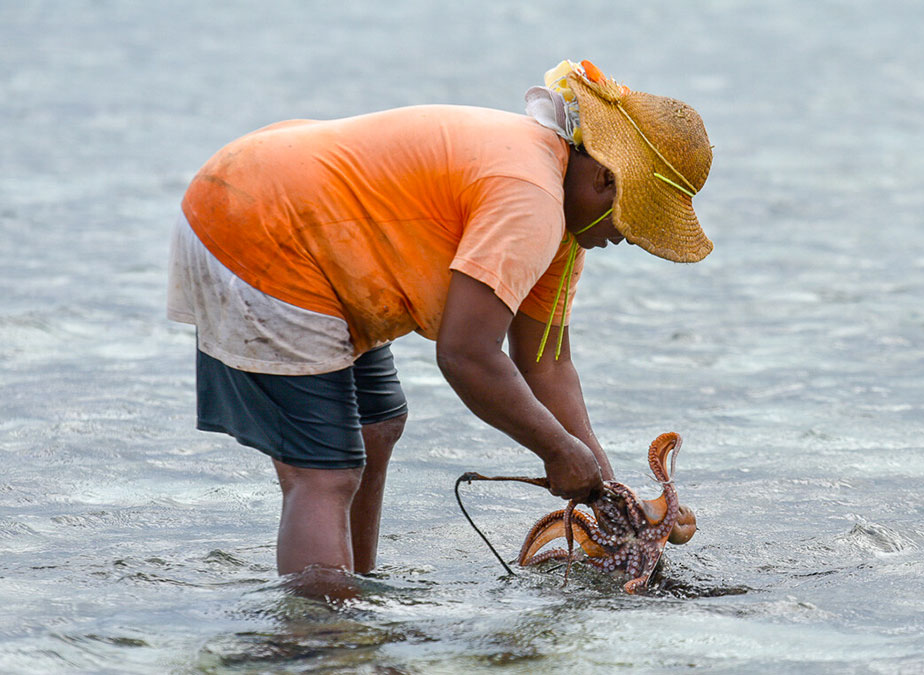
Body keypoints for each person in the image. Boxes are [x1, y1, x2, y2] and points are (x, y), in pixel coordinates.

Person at [166, 59, 713, 583]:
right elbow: (465, 354)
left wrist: (612, 499)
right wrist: (557, 452)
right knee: (324, 474)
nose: (627, 238)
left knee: (376, 427)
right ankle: (321, 631)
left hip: (308, 228)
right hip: (261, 223)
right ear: (603, 180)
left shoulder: (563, 227)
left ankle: (356, 599)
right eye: (631, 220)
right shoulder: (531, 196)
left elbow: (545, 365)